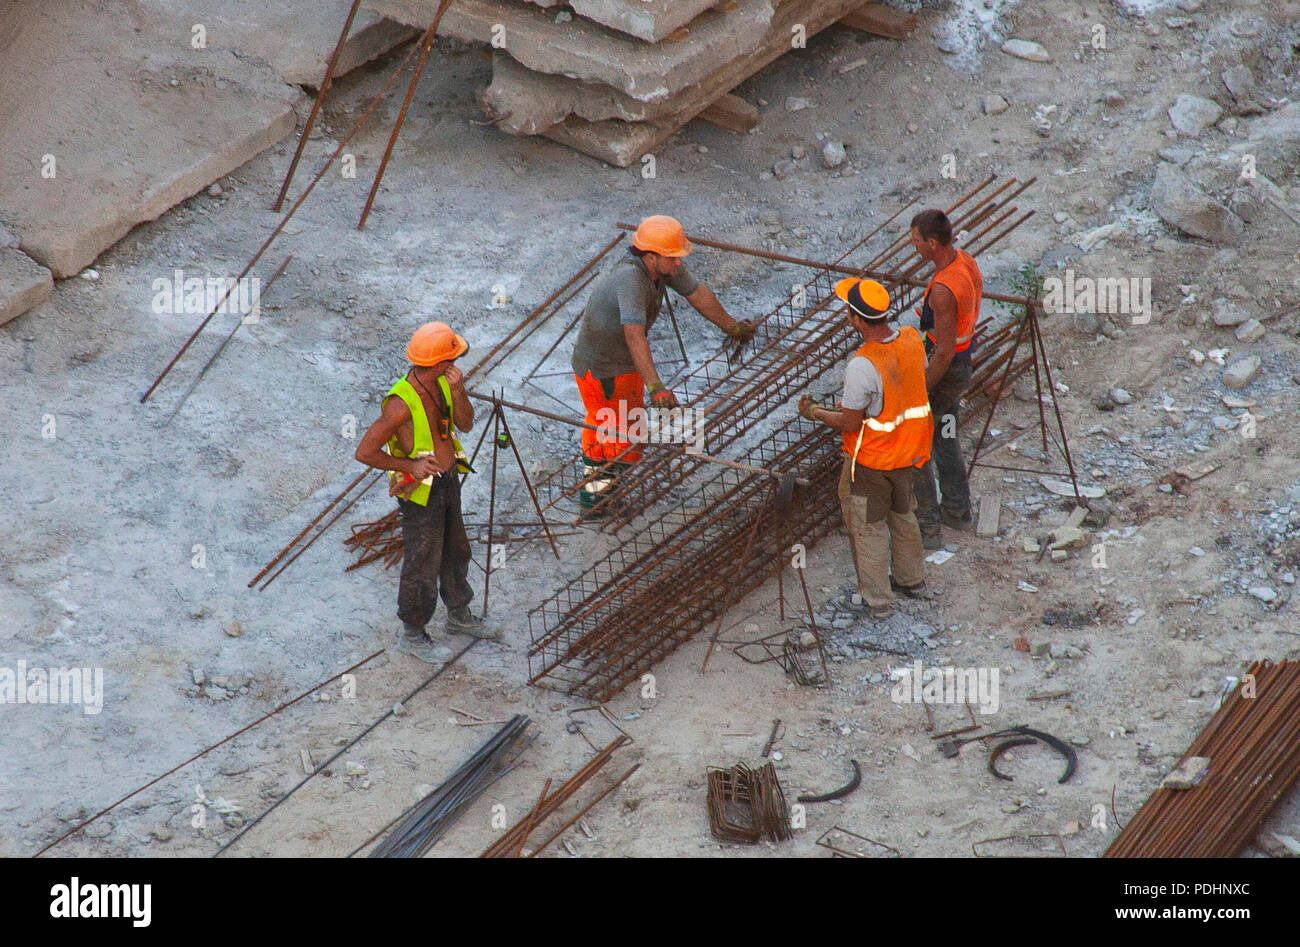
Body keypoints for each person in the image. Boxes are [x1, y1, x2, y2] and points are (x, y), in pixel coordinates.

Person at [570, 214, 754, 509]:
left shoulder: (665, 267)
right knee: (613, 433)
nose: (680, 262)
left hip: (625, 366)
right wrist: (657, 388)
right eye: (674, 257)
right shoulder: (630, 279)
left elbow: (698, 294)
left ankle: (608, 488)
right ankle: (594, 499)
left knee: (626, 434)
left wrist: (732, 327)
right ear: (651, 257)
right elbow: (634, 337)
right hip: (602, 369)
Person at [354, 322, 499, 648]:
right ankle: (413, 634)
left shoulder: (444, 384)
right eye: (452, 358)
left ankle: (458, 613)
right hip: (421, 492)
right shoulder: (401, 403)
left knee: (456, 549)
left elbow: (465, 423)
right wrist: (410, 465)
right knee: (422, 562)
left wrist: (460, 391)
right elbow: (364, 451)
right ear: (438, 362)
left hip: (448, 481)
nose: (456, 363)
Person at [800, 278, 934, 620]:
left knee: (869, 529)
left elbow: (849, 423)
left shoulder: (862, 365)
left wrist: (814, 412)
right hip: (908, 454)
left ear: (856, 319)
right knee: (904, 517)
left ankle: (877, 601)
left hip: (872, 462)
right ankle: (912, 581)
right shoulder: (910, 339)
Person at [908, 208, 982, 549]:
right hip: (961, 363)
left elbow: (944, 352)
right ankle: (956, 508)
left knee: (920, 440)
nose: (915, 247)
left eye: (917, 242)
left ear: (933, 243)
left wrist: (919, 390)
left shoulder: (942, 290)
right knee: (946, 434)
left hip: (948, 369)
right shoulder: (963, 261)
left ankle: (930, 527)